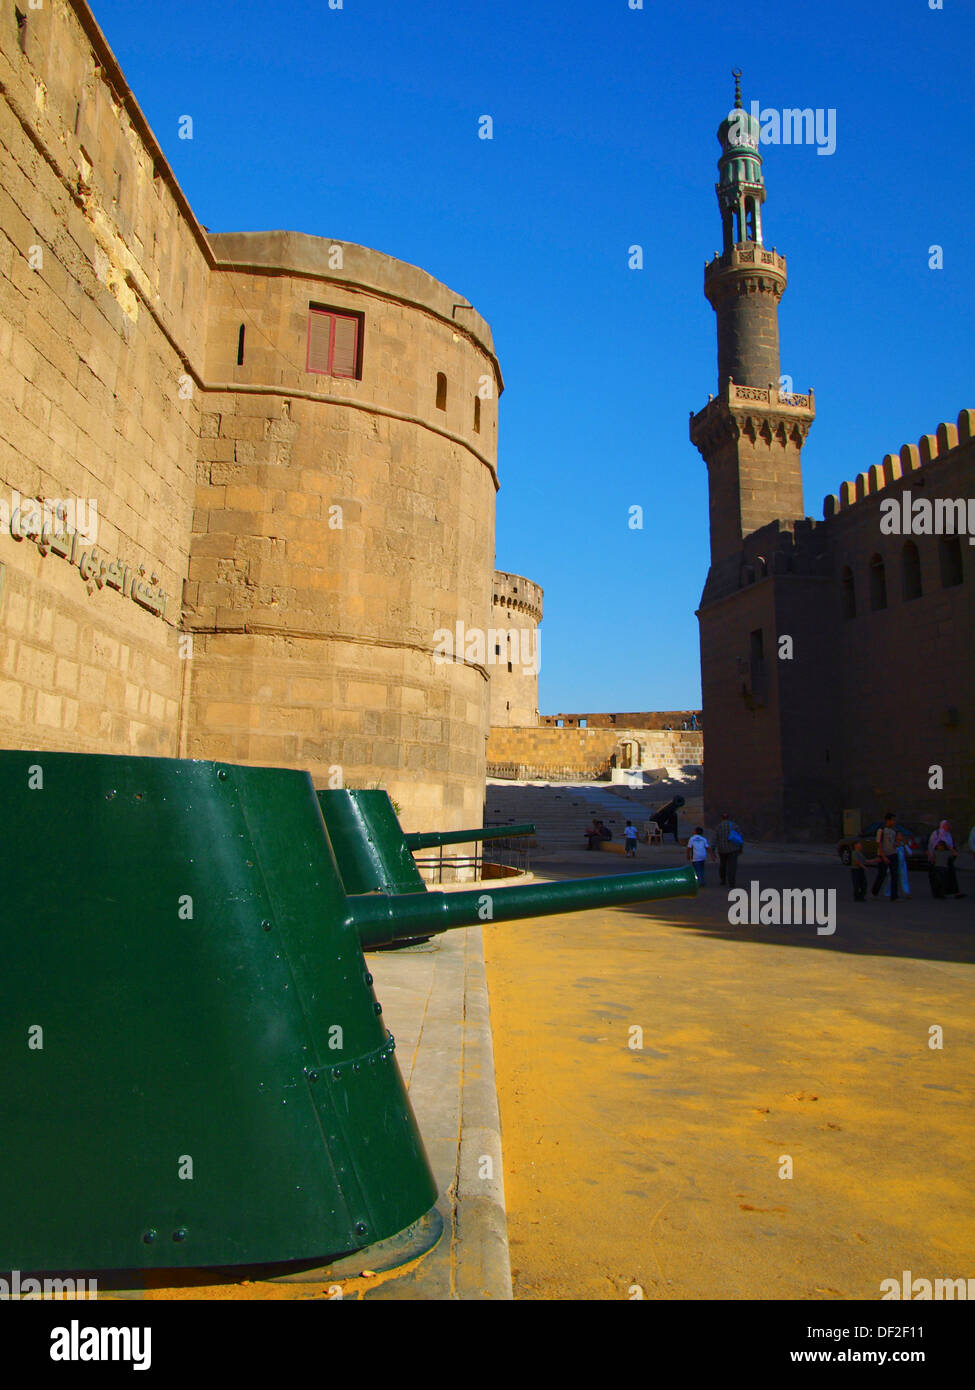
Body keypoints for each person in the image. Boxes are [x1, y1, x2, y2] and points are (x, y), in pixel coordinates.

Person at [871, 812, 899, 900]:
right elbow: (879, 844)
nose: (894, 822)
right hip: (884, 855)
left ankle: (894, 896)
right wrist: (883, 856)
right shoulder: (881, 830)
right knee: (882, 874)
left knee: (895, 874)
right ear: (888, 820)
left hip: (893, 854)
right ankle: (874, 892)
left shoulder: (894, 831)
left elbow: (893, 842)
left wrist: (896, 844)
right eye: (892, 820)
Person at [714, 812, 744, 888]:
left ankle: (723, 880)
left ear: (721, 818)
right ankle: (732, 882)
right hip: (733, 849)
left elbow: (714, 839)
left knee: (722, 865)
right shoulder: (734, 825)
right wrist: (741, 848)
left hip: (722, 849)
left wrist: (713, 849)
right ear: (728, 817)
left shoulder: (718, 827)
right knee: (732, 866)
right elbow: (740, 837)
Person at [883, 832, 911, 899]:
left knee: (904, 878)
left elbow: (910, 853)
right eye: (899, 835)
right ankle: (888, 892)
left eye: (901, 835)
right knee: (890, 878)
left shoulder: (903, 844)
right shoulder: (892, 844)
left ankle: (906, 893)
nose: (901, 836)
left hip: (902, 863)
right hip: (894, 863)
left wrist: (904, 846)